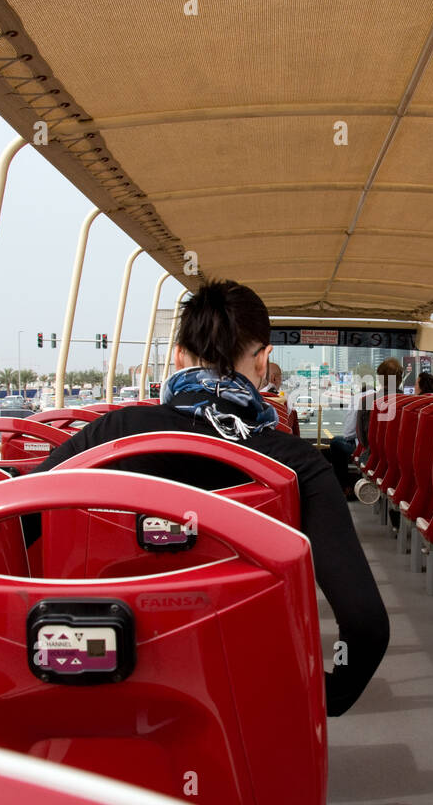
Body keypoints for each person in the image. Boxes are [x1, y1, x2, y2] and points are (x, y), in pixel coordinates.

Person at [31, 281, 389, 717]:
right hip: (247, 707)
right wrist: (317, 695)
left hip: (96, 702)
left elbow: (13, 526)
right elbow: (366, 624)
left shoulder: (108, 438)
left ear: (179, 355)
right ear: (262, 359)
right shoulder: (293, 464)